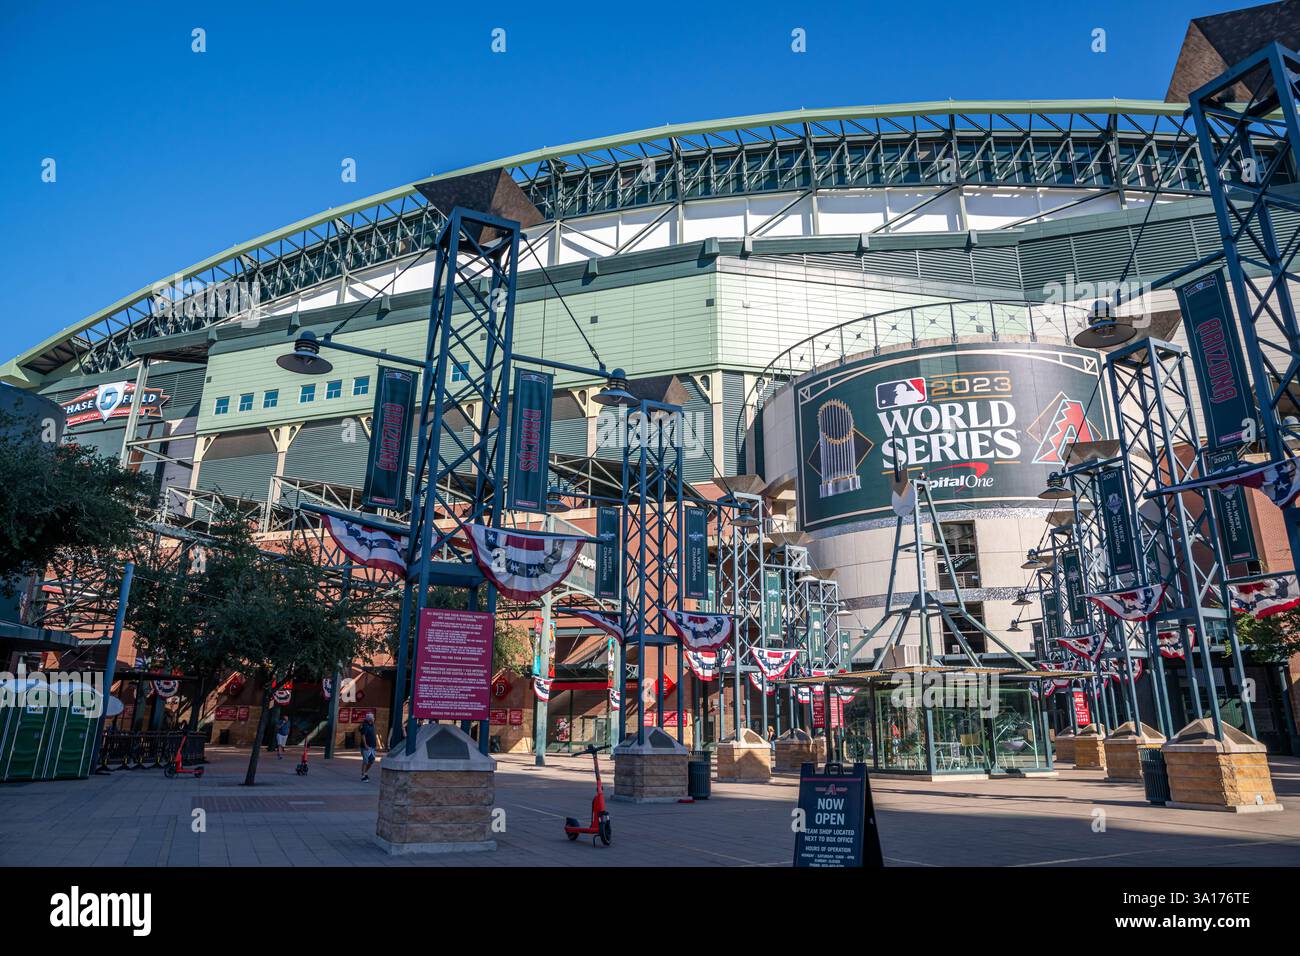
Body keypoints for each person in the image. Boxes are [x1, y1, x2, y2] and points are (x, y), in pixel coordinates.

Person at [359, 712, 378, 781]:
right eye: (373, 718)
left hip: (372, 746)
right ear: (370, 719)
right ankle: (363, 775)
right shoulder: (365, 725)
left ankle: (366, 772)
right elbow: (363, 736)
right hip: (366, 747)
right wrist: (365, 744)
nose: (374, 719)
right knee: (366, 761)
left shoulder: (372, 725)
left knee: (372, 760)